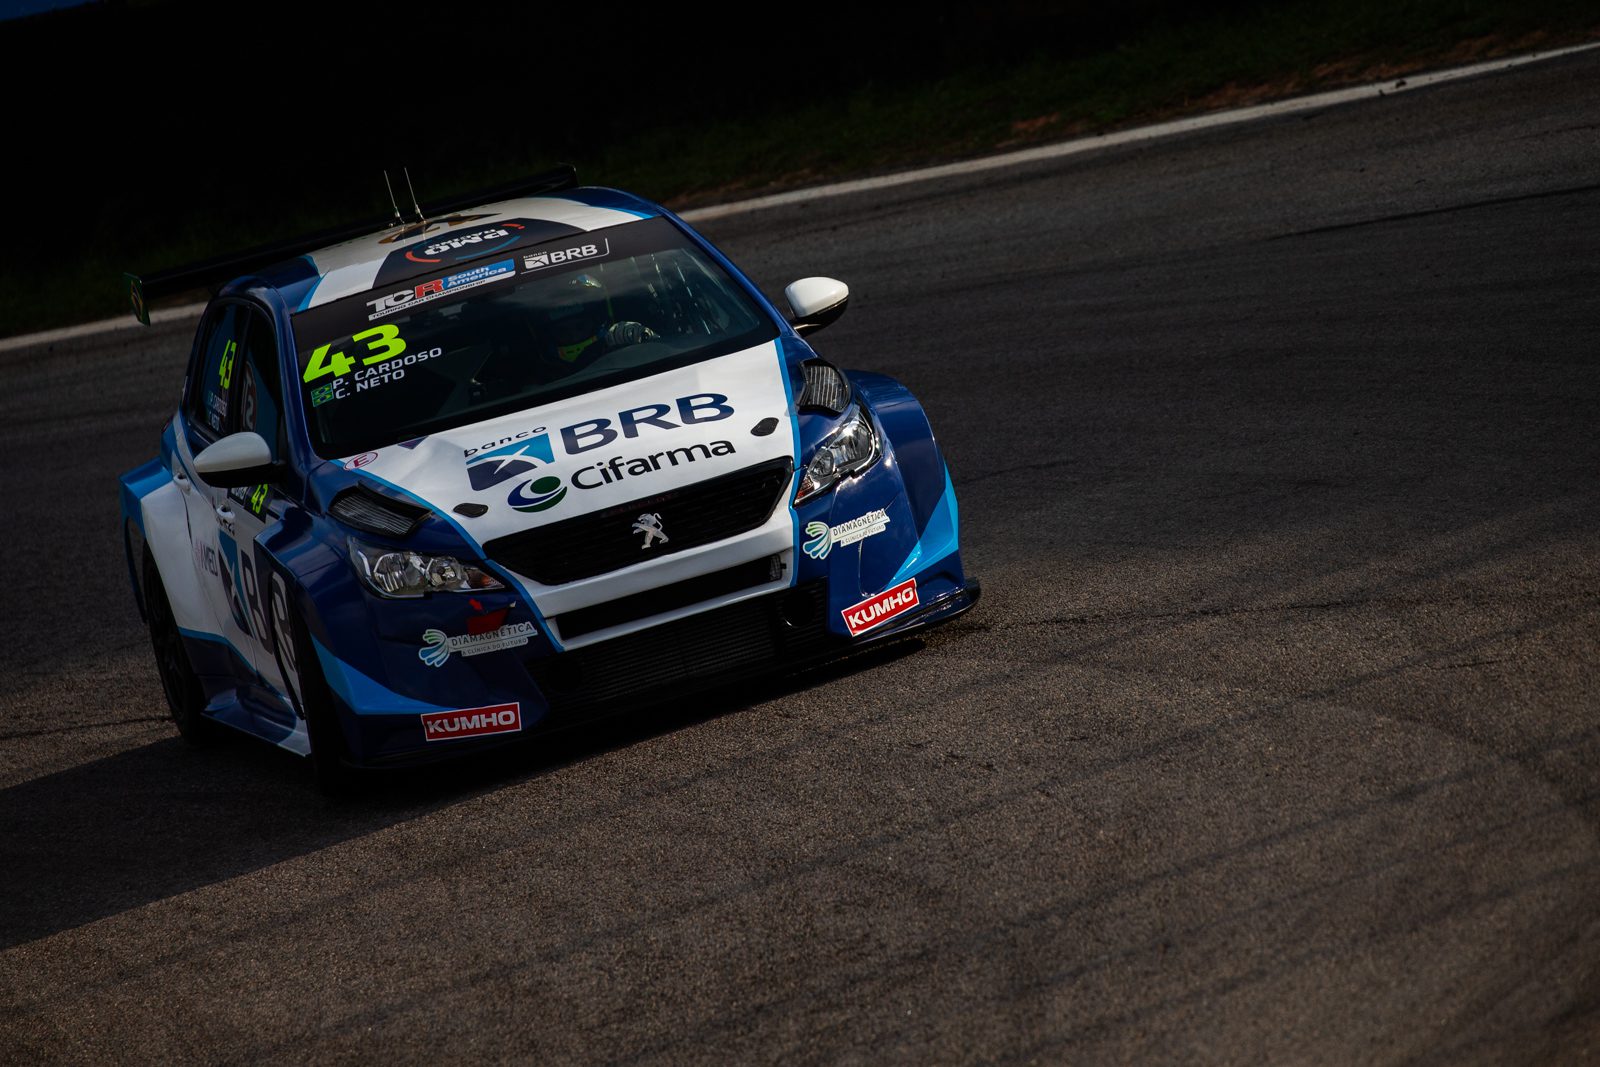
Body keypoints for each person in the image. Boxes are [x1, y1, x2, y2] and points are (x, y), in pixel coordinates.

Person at [547, 272, 657, 366]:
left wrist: (640, 336)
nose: (574, 337)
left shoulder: (622, 339)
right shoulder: (540, 379)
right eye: (563, 332)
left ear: (597, 323)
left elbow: (659, 348)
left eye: (580, 327)